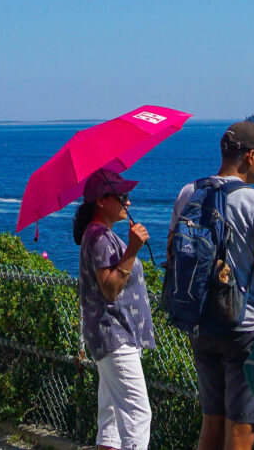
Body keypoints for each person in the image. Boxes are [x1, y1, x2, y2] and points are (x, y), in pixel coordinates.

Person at [167, 121, 254, 450]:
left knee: (212, 419)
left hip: (199, 319)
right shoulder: (252, 199)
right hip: (243, 325)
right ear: (250, 156)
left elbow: (173, 248)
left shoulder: (189, 192)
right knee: (242, 425)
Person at [76, 167, 156, 450]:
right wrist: (132, 249)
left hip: (112, 335)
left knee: (110, 419)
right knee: (137, 414)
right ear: (101, 200)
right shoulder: (99, 237)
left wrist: (130, 249)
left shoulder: (101, 234)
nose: (128, 202)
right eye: (123, 196)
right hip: (115, 335)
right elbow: (110, 289)